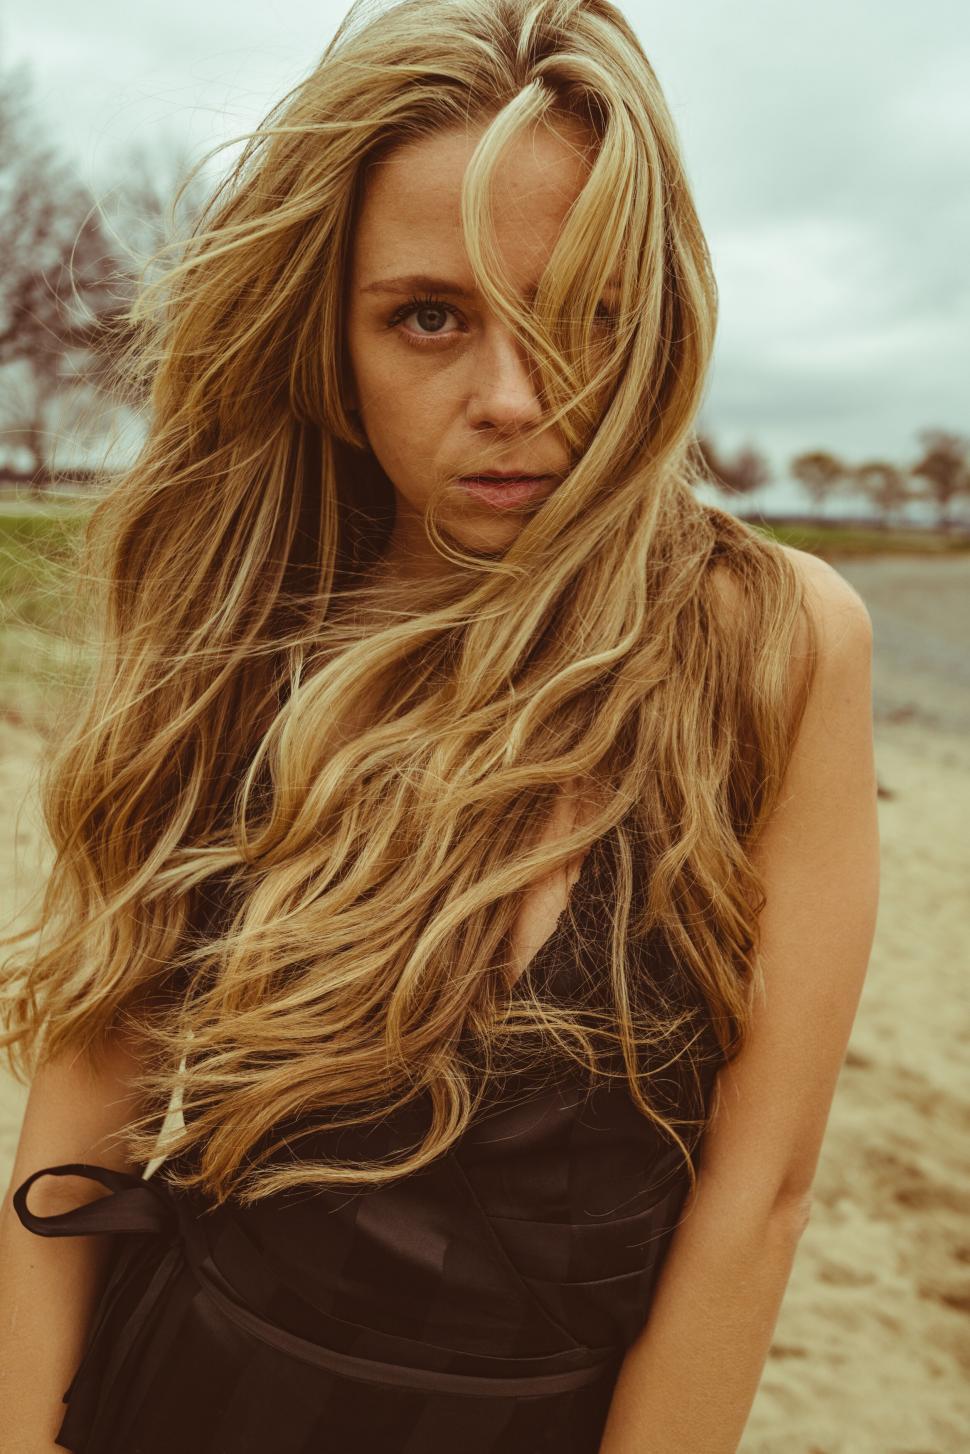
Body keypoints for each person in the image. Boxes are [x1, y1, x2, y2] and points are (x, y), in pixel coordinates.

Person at [0, 1, 879, 1450]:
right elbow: (87, 1101)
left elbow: (757, 1196)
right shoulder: (248, 617)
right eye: (429, 315)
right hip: (182, 1395)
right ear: (329, 341)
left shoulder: (772, 645)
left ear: (656, 310)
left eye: (581, 313)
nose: (515, 400)